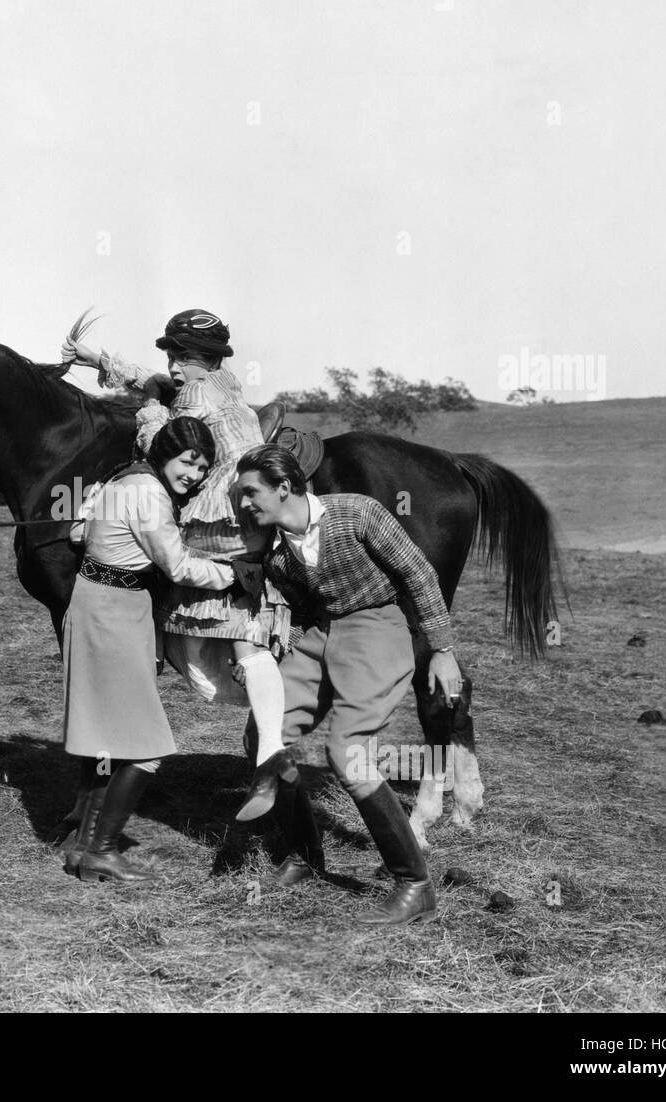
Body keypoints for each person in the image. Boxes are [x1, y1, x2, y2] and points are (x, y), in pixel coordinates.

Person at [64, 310, 297, 821]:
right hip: (249, 515)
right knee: (248, 634)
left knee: (205, 592)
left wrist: (149, 416)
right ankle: (270, 750)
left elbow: (167, 448)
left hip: (219, 520)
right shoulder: (224, 382)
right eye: (171, 354)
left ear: (205, 360)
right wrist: (103, 361)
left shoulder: (193, 396)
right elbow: (155, 381)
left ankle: (130, 705)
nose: (172, 364)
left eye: (182, 356)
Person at [232, 444, 465, 926]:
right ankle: (303, 855)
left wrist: (442, 650)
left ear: (285, 487)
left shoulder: (357, 512)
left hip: (377, 629)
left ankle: (414, 884)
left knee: (347, 752)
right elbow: (297, 610)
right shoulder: (276, 552)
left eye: (251, 493)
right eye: (241, 494)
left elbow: (418, 573)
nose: (244, 503)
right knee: (263, 733)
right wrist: (274, 660)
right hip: (320, 633)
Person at [61, 417, 236, 885]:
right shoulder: (148, 491)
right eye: (187, 462)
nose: (195, 476)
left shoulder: (120, 477)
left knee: (108, 738)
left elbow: (78, 534)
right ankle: (101, 850)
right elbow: (177, 565)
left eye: (203, 468)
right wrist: (235, 576)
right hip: (115, 611)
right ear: (165, 454)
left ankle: (83, 846)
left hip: (101, 602)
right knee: (147, 747)